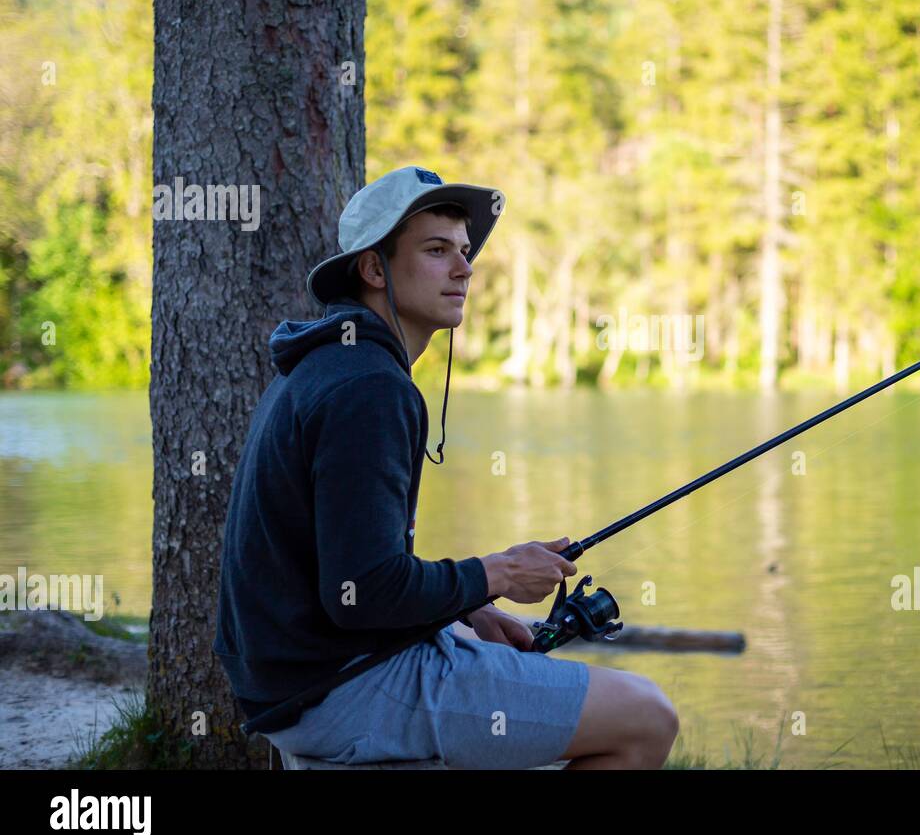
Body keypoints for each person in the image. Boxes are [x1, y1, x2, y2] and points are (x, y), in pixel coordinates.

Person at [213, 166, 678, 769]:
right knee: (647, 716)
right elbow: (362, 595)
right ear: (374, 269)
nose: (464, 269)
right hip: (334, 687)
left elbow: (351, 568)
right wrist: (501, 571)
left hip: (293, 678)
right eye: (437, 251)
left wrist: (468, 608)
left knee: (474, 637)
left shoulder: (327, 366)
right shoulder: (368, 389)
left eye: (464, 252)